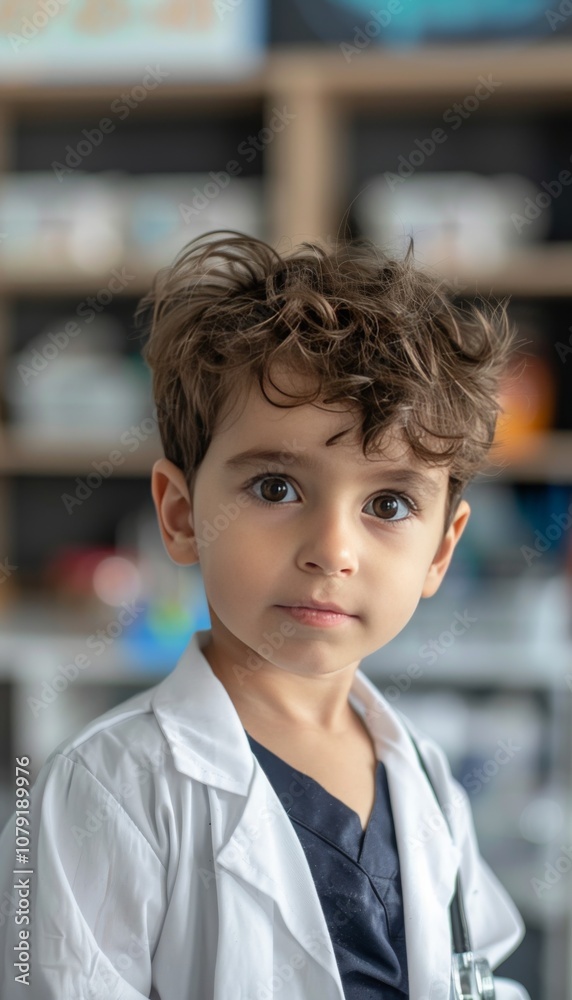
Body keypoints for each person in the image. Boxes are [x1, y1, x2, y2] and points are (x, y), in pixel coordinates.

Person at [0, 231, 531, 1000]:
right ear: (180, 516)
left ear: (441, 552)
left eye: (389, 503)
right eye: (278, 488)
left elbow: (477, 971)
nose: (332, 551)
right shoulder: (110, 789)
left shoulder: (425, 776)